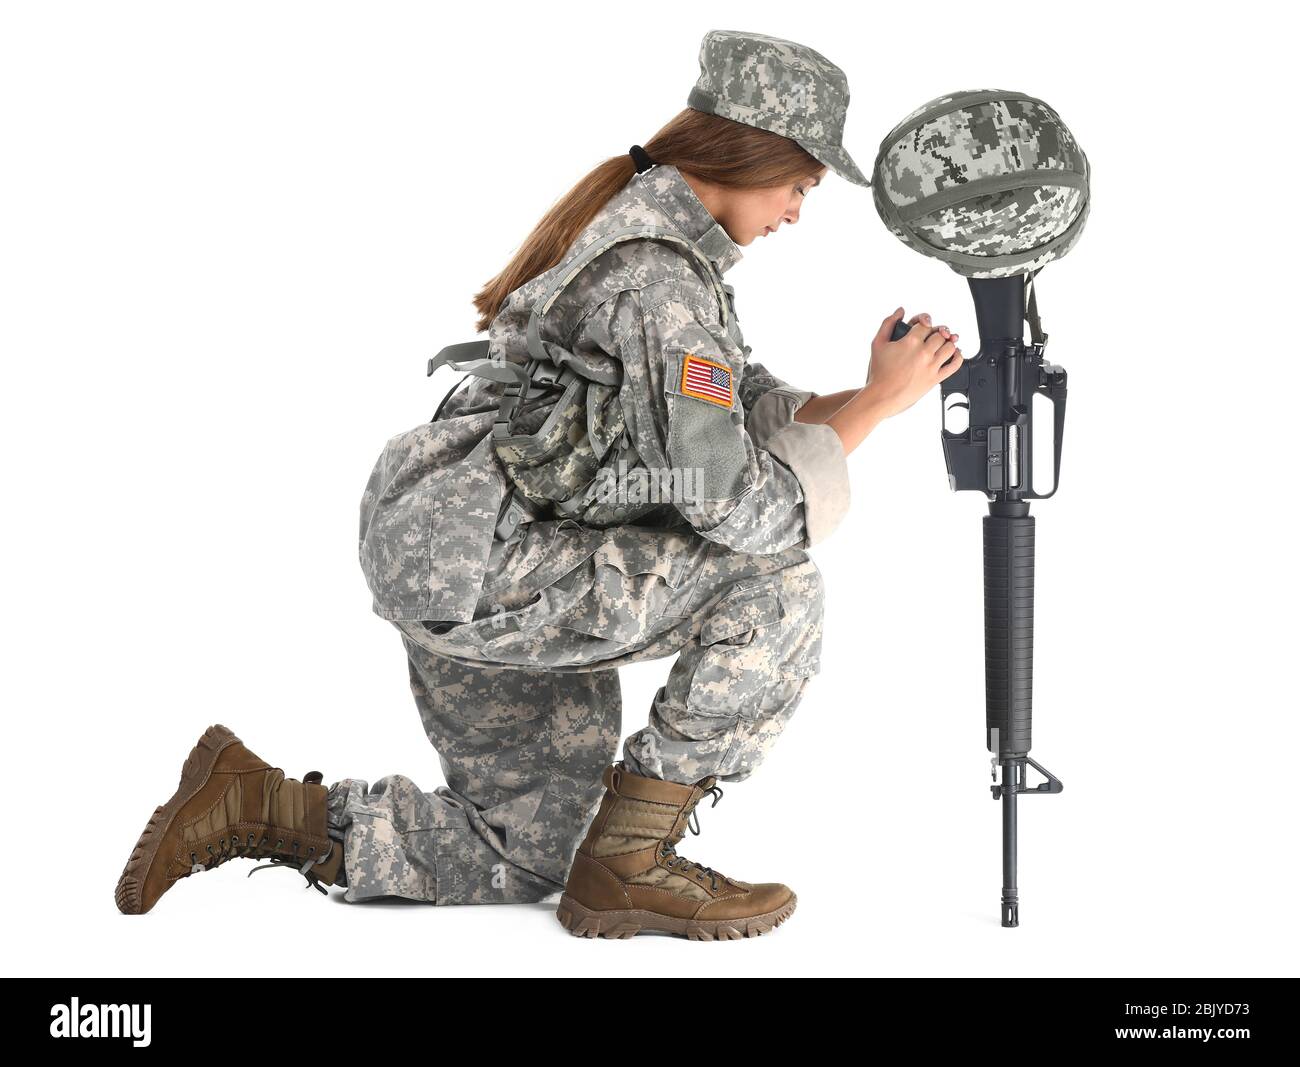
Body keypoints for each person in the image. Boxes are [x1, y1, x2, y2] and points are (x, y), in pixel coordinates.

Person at [115, 29, 963, 940]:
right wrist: (875, 409)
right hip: (500, 559)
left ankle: (252, 801)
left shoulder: (655, 247)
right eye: (801, 186)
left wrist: (876, 394)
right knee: (778, 586)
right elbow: (731, 504)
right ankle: (632, 866)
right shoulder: (657, 280)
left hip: (465, 545)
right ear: (751, 156)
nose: (798, 212)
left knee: (527, 849)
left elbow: (733, 410)